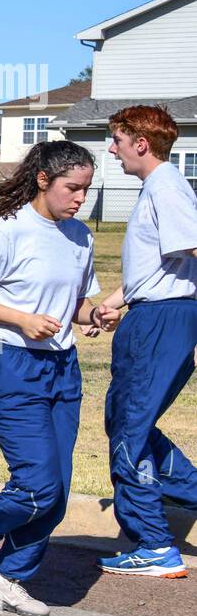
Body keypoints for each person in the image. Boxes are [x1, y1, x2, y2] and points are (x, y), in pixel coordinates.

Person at [0, 141, 110, 616]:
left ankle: (8, 579)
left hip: (62, 368)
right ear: (43, 180)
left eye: (86, 190)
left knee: (56, 489)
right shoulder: (5, 231)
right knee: (37, 483)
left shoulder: (79, 236)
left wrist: (93, 314)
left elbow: (75, 302)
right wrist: (20, 319)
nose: (80, 198)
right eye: (72, 188)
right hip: (10, 361)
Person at [92, 106, 197, 578]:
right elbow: (159, 268)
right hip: (151, 314)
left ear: (141, 143)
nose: (111, 150)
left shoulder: (167, 186)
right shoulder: (158, 188)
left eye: (116, 139)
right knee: (125, 420)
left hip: (163, 320)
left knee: (129, 430)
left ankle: (154, 543)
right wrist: (113, 303)